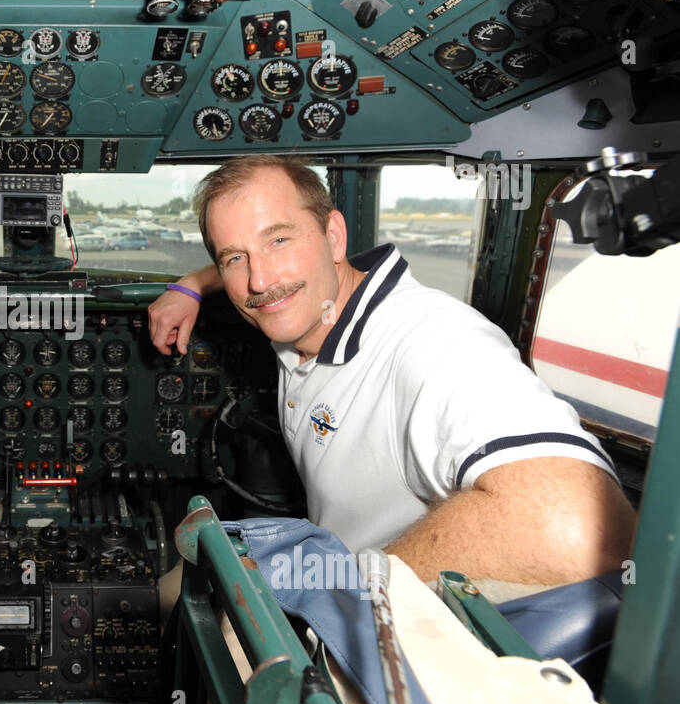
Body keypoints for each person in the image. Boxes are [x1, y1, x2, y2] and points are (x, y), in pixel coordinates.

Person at [148, 155, 635, 585]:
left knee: (185, 604)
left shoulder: (433, 342)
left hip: (381, 616)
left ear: (333, 236)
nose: (259, 279)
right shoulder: (309, 306)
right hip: (328, 559)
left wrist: (347, 594)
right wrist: (190, 284)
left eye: (279, 239)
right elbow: (260, 268)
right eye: (235, 257)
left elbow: (577, 529)